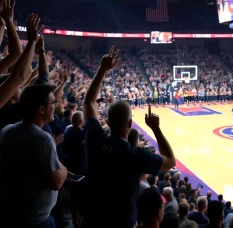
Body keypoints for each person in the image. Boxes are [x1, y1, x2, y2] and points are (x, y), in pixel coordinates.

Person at [80, 46, 176, 228]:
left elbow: (88, 102)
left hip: (90, 220)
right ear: (131, 124)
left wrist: (102, 70)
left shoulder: (95, 137)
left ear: (107, 123)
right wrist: (156, 129)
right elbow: (170, 161)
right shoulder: (135, 156)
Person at [0, 84, 68, 228]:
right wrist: (64, 170)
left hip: (10, 214)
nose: (55, 106)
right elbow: (56, 182)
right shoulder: (43, 139)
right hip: (37, 220)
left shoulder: (7, 130)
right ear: (41, 109)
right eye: (52, 103)